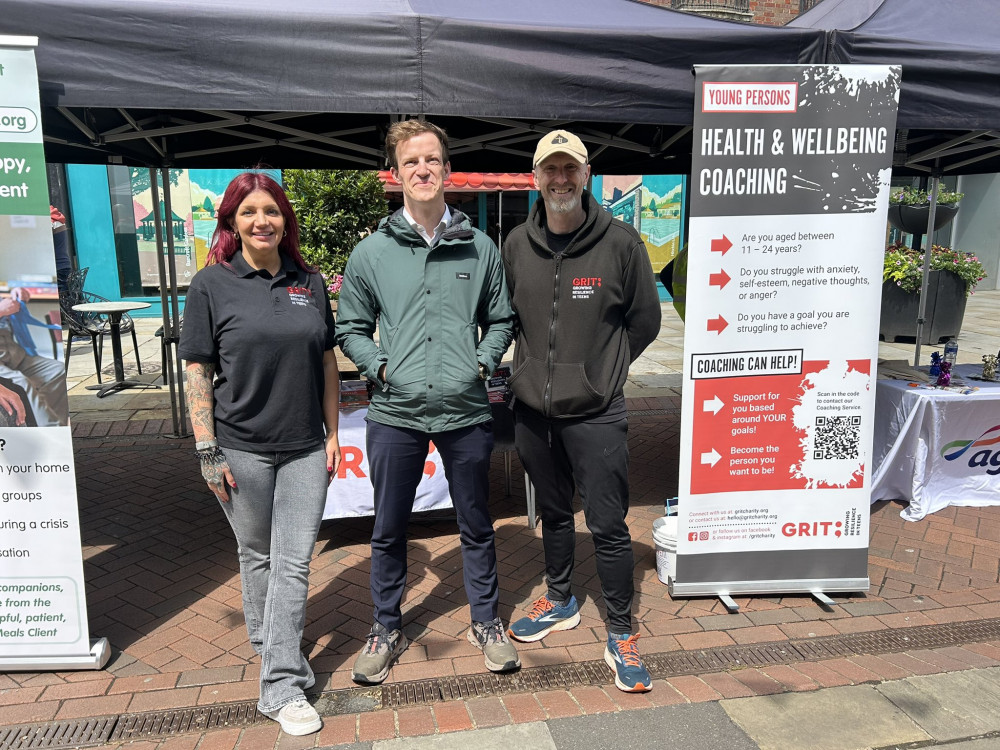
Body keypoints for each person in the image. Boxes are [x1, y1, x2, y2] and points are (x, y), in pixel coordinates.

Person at [336, 119, 519, 684]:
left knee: (476, 523)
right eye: (411, 161)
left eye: (432, 160)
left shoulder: (479, 246)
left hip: (464, 411)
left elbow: (501, 318)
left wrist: (482, 363)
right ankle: (386, 626)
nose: (422, 170)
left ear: (446, 168)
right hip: (396, 413)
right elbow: (352, 326)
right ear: (395, 172)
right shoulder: (372, 253)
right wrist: (380, 367)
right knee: (388, 527)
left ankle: (486, 621)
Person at [178, 172, 341, 737]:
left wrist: (333, 434)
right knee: (256, 558)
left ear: (285, 219)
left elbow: (325, 362)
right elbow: (197, 368)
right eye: (248, 212)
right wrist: (206, 449)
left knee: (293, 562)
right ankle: (276, 655)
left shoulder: (310, 282)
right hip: (239, 448)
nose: (261, 221)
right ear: (231, 222)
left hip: (302, 448)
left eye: (270, 210)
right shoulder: (211, 285)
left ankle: (278, 685)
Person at [501, 130, 662, 693]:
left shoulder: (621, 242)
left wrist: (604, 374)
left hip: (595, 412)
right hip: (533, 413)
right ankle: (561, 598)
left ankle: (621, 631)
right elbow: (512, 319)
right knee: (553, 511)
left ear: (586, 175)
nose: (561, 179)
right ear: (537, 177)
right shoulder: (517, 243)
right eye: (551, 169)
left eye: (571, 169)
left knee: (609, 525)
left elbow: (645, 322)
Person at [0, 287, 69, 426]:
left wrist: (15, 293)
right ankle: (49, 430)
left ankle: (54, 424)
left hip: (12, 351)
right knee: (21, 384)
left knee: (58, 370)